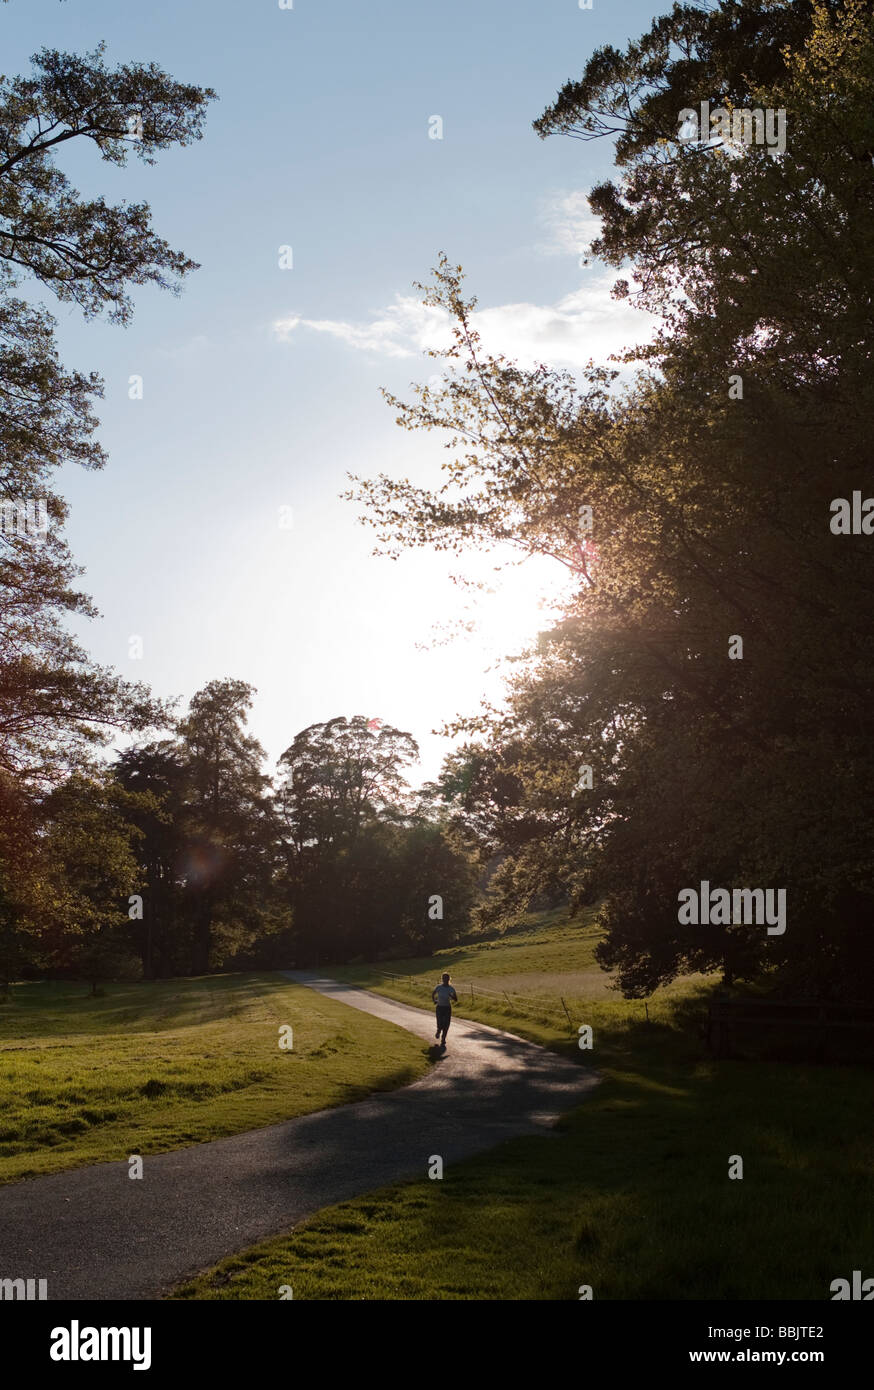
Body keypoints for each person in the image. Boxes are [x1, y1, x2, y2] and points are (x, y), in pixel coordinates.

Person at [432, 972, 457, 1048]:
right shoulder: (438, 987)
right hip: (439, 1007)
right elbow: (433, 994)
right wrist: (435, 1000)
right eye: (444, 978)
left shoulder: (451, 988)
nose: (445, 980)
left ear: (449, 979)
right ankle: (438, 1031)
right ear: (442, 979)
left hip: (447, 1008)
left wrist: (451, 996)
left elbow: (456, 999)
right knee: (440, 1022)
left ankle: (443, 1038)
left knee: (446, 1024)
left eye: (447, 979)